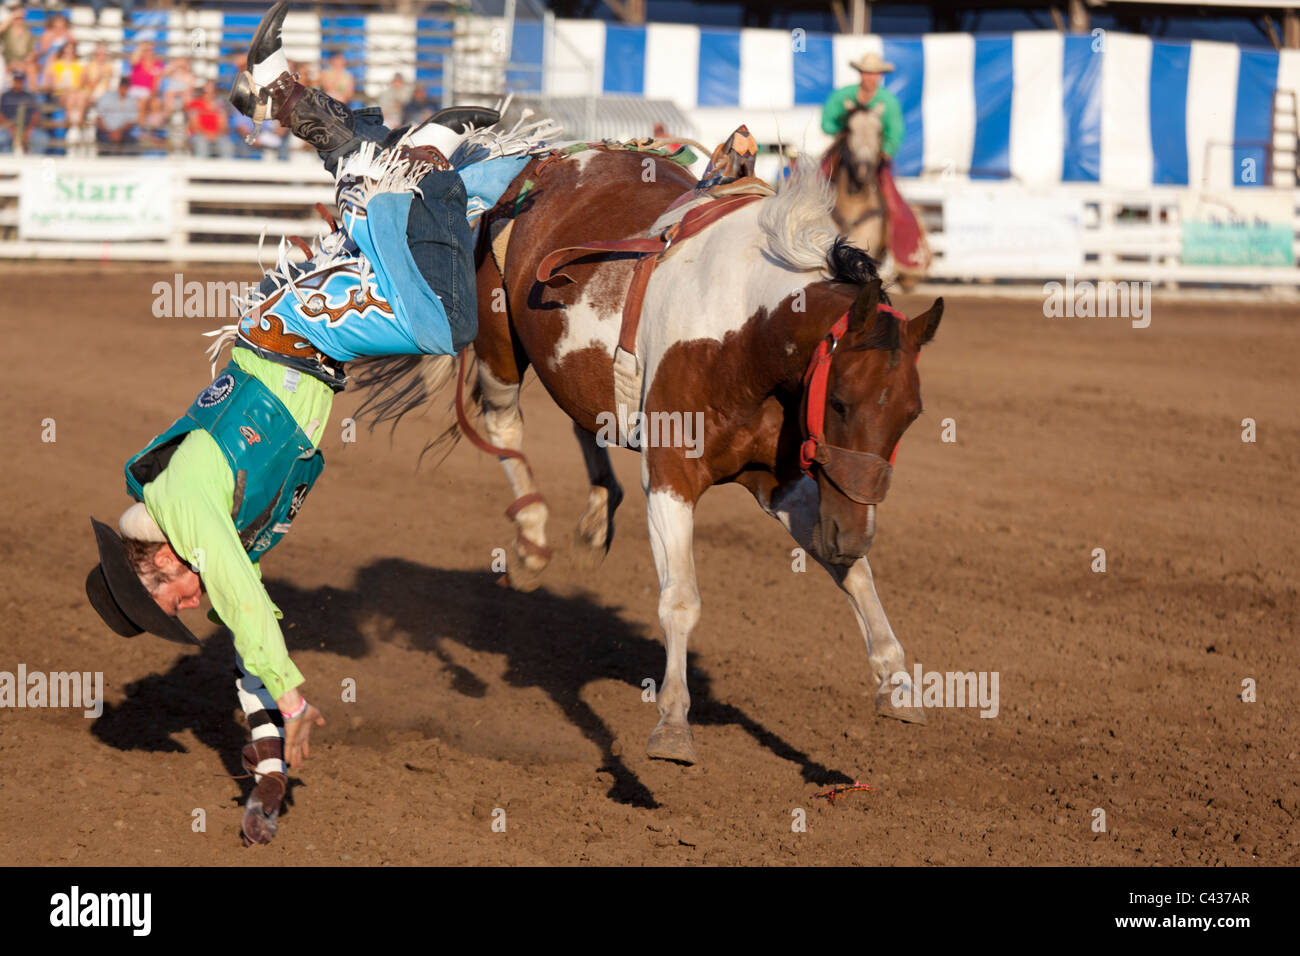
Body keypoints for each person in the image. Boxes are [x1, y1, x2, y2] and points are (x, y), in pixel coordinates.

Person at [85, 1, 541, 847]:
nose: (192, 603)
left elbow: (246, 616)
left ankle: (408, 150)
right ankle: (518, 163)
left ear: (155, 567)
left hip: (298, 333)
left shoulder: (185, 504)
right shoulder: (213, 532)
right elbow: (249, 644)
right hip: (307, 343)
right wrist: (266, 776)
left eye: (174, 599)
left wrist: (294, 695)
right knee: (488, 203)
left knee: (444, 323)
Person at [820, 51, 904, 162]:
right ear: (860, 73)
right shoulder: (841, 96)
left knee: (885, 178)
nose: (869, 78)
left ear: (880, 75)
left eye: (874, 73)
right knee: (824, 172)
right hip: (844, 149)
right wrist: (842, 131)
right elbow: (827, 121)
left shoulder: (889, 101)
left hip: (876, 152)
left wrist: (887, 150)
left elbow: (895, 130)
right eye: (866, 73)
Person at [0, 69, 48, 154]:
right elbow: (1, 115)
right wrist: (11, 129)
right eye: (16, 80)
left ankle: (34, 163)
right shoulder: (5, 96)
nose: (18, 82)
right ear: (13, 80)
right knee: (2, 139)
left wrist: (29, 130)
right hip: (9, 128)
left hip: (28, 128)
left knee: (41, 139)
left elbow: (36, 114)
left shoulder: (29, 96)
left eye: (20, 80)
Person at [94, 75, 137, 154]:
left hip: (123, 132)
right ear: (119, 87)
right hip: (105, 131)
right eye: (123, 87)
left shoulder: (131, 101)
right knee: (104, 143)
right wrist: (110, 132)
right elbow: (99, 118)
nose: (124, 90)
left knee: (133, 143)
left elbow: (131, 121)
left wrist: (119, 132)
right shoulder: (106, 97)